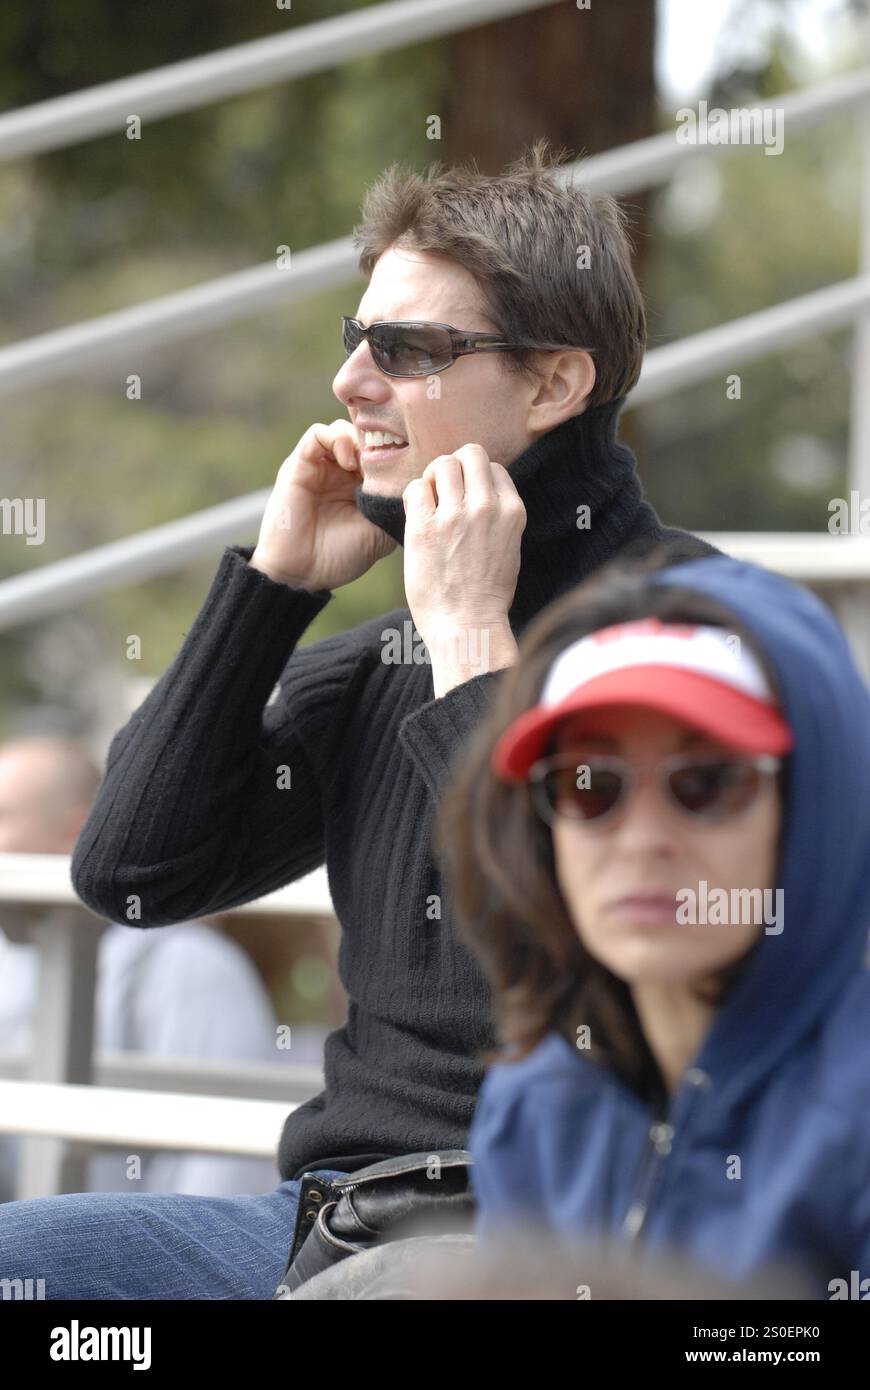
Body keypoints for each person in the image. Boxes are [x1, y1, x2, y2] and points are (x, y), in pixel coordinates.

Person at [0, 142, 719, 1299]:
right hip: (333, 1222)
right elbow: (129, 869)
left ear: (553, 385)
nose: (351, 383)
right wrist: (273, 590)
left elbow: (573, 983)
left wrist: (476, 645)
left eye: (408, 350)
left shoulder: (702, 639)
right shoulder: (388, 658)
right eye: (356, 339)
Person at [437, 551, 870, 1299]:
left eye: (705, 782)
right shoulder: (537, 1103)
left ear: (815, 811)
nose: (642, 840)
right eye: (589, 785)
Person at [0, 735, 281, 1201]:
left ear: (71, 834)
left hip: (109, 1262)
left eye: (2, 816)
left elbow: (215, 1182)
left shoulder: (188, 966)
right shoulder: (12, 954)